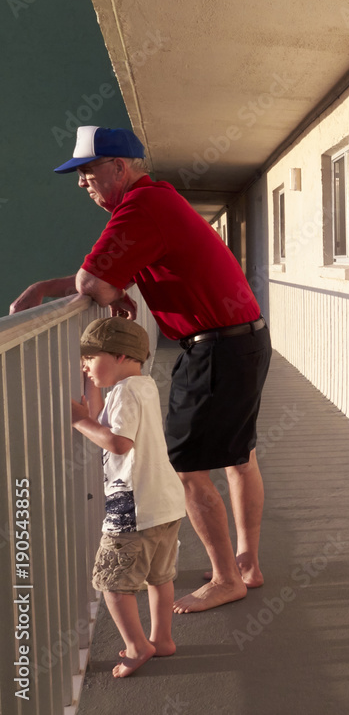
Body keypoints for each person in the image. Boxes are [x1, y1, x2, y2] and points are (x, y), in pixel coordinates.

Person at [11, 125, 271, 613]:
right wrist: (78, 286)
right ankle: (248, 567)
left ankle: (225, 578)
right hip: (245, 338)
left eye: (87, 172)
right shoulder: (158, 201)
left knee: (188, 468)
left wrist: (58, 285)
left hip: (215, 348)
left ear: (118, 167)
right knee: (239, 457)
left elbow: (94, 279)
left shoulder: (140, 206)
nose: (82, 183)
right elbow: (106, 279)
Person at [70, 317, 187, 677]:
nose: (86, 366)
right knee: (159, 576)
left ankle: (137, 647)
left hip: (133, 510)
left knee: (111, 582)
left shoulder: (124, 394)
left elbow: (119, 442)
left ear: (119, 356)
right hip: (165, 503)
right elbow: (103, 409)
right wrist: (88, 391)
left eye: (90, 358)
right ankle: (162, 639)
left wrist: (79, 422)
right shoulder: (143, 384)